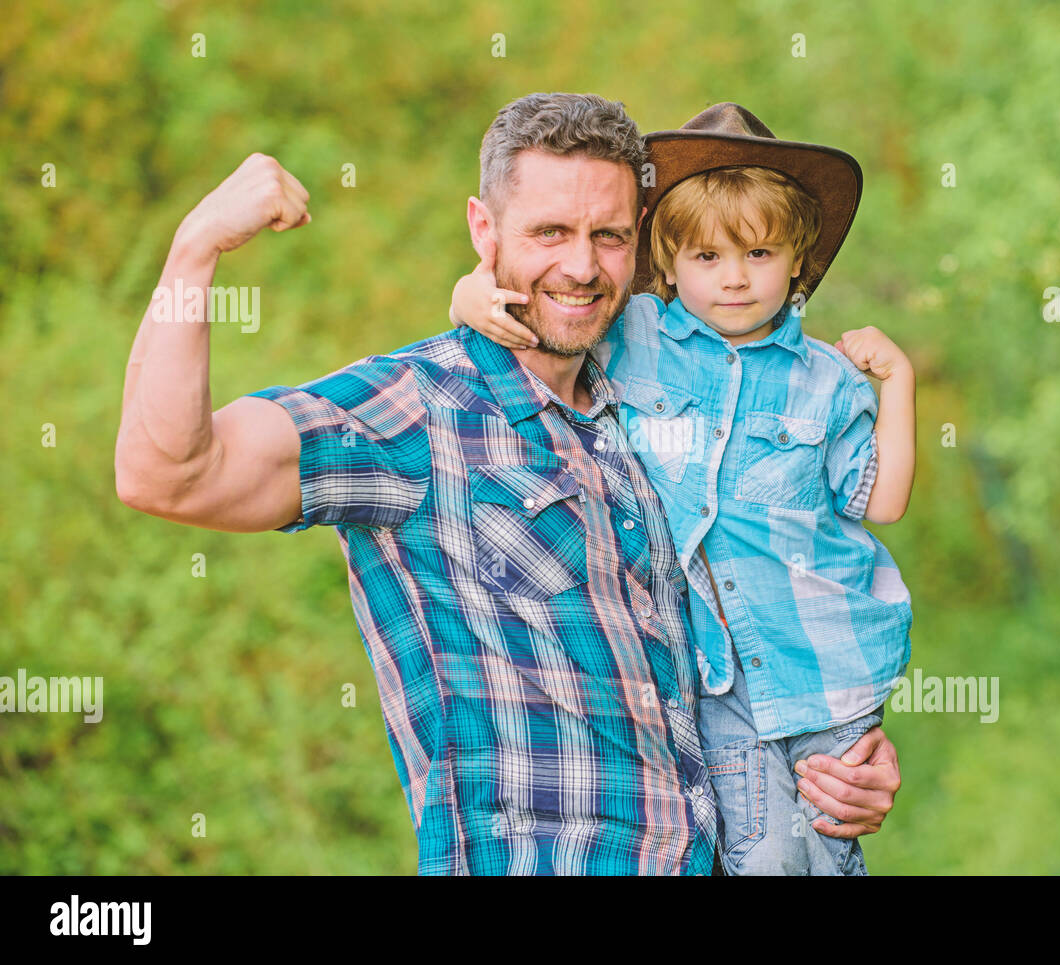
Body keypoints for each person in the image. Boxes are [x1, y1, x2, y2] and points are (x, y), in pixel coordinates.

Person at [114, 91, 901, 875]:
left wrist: (834, 756)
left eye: (610, 236)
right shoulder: (420, 409)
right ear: (483, 232)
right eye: (550, 232)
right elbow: (169, 474)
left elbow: (755, 612)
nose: (582, 265)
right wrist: (196, 250)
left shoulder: (651, 413)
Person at [451, 102, 915, 875]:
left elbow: (882, 501)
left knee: (823, 852)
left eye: (759, 253)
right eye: (706, 258)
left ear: (799, 257)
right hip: (716, 678)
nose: (734, 278)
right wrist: (468, 296)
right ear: (666, 261)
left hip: (829, 669)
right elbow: (537, 305)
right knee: (763, 856)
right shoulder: (633, 336)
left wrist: (897, 382)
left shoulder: (828, 380)